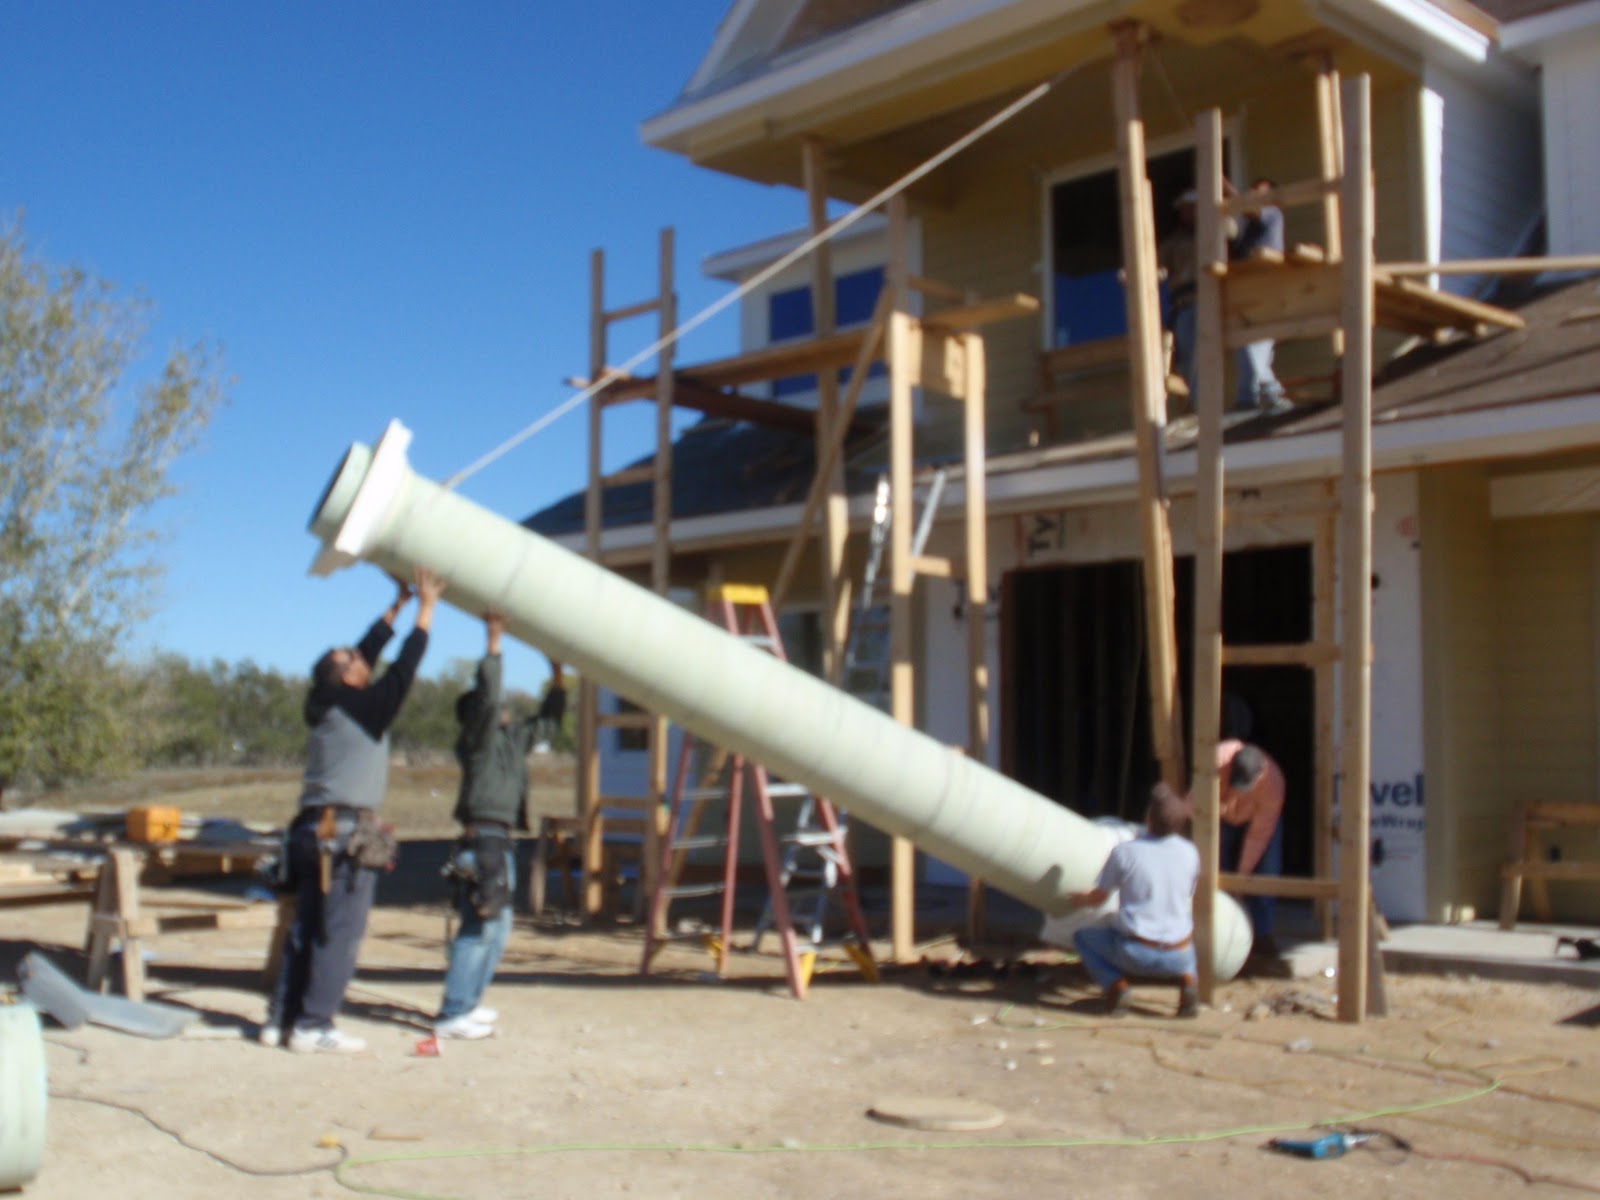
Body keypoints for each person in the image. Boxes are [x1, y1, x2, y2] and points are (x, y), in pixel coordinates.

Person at [263, 568, 446, 1053]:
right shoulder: (361, 710)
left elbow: (369, 648)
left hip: (310, 832)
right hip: (343, 836)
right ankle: (314, 1025)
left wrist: (398, 602)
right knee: (338, 933)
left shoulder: (324, 702)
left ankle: (280, 1019)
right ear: (348, 675)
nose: (363, 659)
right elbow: (403, 668)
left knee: (304, 927)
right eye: (354, 660)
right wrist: (427, 608)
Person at [432, 613, 566, 1040]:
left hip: (499, 843)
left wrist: (559, 676)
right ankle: (453, 1012)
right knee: (480, 927)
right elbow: (489, 699)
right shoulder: (477, 742)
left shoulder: (509, 743)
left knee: (499, 927)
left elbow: (548, 723)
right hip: (483, 842)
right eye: (495, 705)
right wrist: (494, 643)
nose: (505, 707)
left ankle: (469, 1003)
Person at [1067, 783, 1200, 1018]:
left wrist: (1079, 899)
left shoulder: (1125, 852)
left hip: (1137, 952)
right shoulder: (1190, 853)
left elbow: (1099, 899)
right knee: (1184, 940)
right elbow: (1188, 892)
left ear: (1148, 819)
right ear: (1180, 824)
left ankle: (1116, 986)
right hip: (1180, 954)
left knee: (1083, 937)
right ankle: (1189, 981)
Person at [1216, 739, 1285, 949]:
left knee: (1267, 872)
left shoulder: (1273, 784)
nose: (1238, 791)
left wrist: (1241, 879)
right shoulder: (1218, 760)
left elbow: (1257, 839)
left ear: (1260, 774)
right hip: (1222, 816)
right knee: (1217, 868)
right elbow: (1197, 802)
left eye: (1245, 786)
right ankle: (1220, 928)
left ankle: (1262, 935)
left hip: (1256, 823)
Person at [1230, 177, 1291, 414]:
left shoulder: (1273, 213)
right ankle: (1259, 394)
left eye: (1258, 192)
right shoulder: (1250, 231)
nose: (1252, 195)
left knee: (1255, 343)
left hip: (1266, 288)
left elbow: (1250, 208)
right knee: (1247, 344)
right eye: (1251, 191)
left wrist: (1226, 189)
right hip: (1249, 290)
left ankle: (1259, 394)